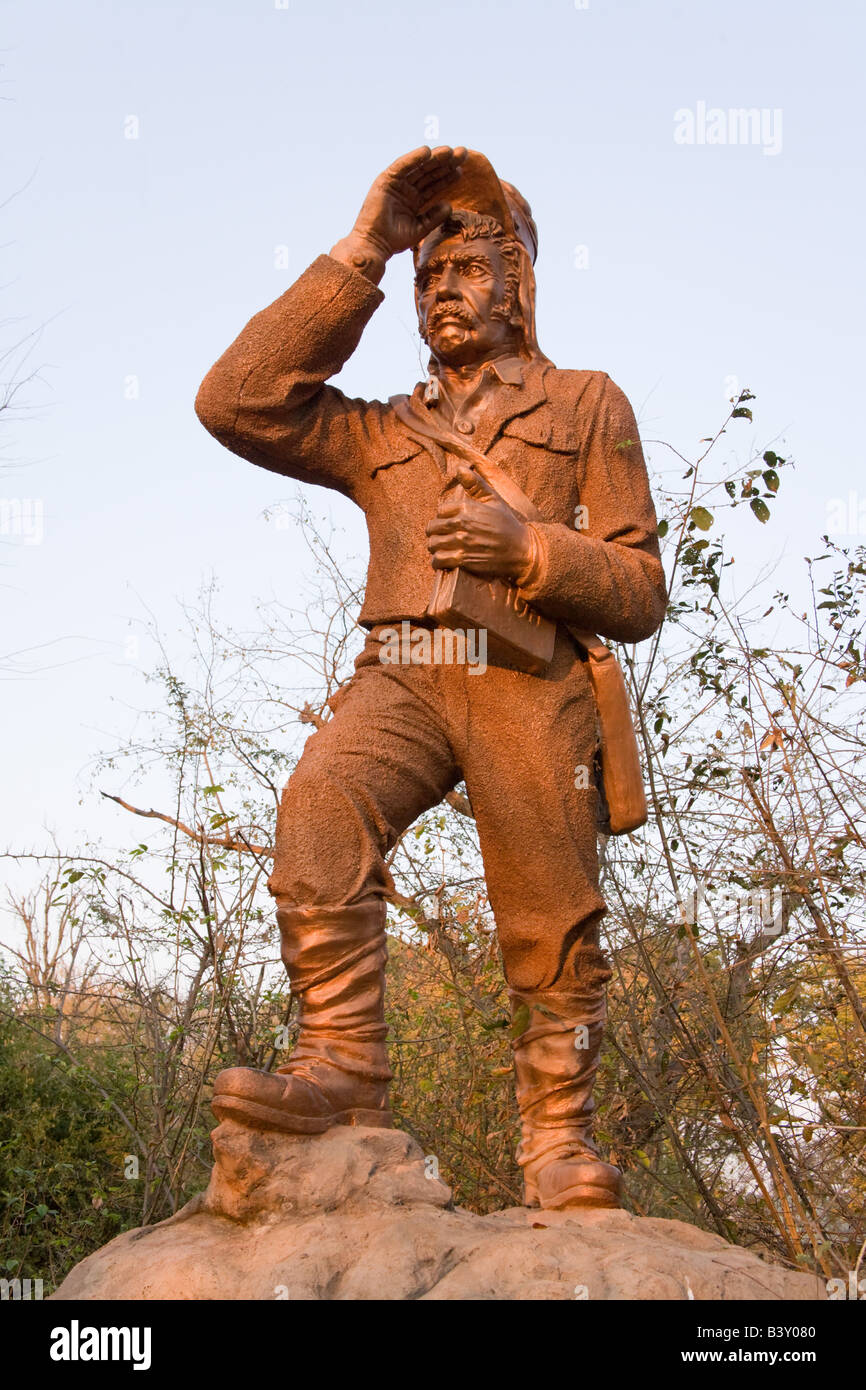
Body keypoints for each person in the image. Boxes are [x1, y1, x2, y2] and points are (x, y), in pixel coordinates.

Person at [195, 146, 666, 1210]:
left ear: (518, 279)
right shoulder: (380, 431)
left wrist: (531, 549)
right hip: (406, 664)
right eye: (422, 276)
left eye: (463, 269)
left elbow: (638, 589)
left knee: (550, 907)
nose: (438, 292)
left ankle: (555, 1139)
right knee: (320, 801)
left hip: (523, 673)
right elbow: (235, 401)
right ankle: (341, 1059)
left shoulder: (586, 405)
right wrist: (361, 250)